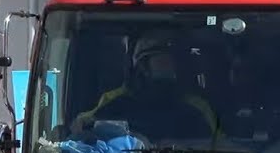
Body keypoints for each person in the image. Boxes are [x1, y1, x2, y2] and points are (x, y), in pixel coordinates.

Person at [71, 30, 219, 141]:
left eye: (175, 60)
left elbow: (217, 146)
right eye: (163, 60)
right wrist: (83, 123)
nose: (171, 66)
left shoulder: (198, 107)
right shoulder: (115, 100)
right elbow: (86, 123)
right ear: (143, 65)